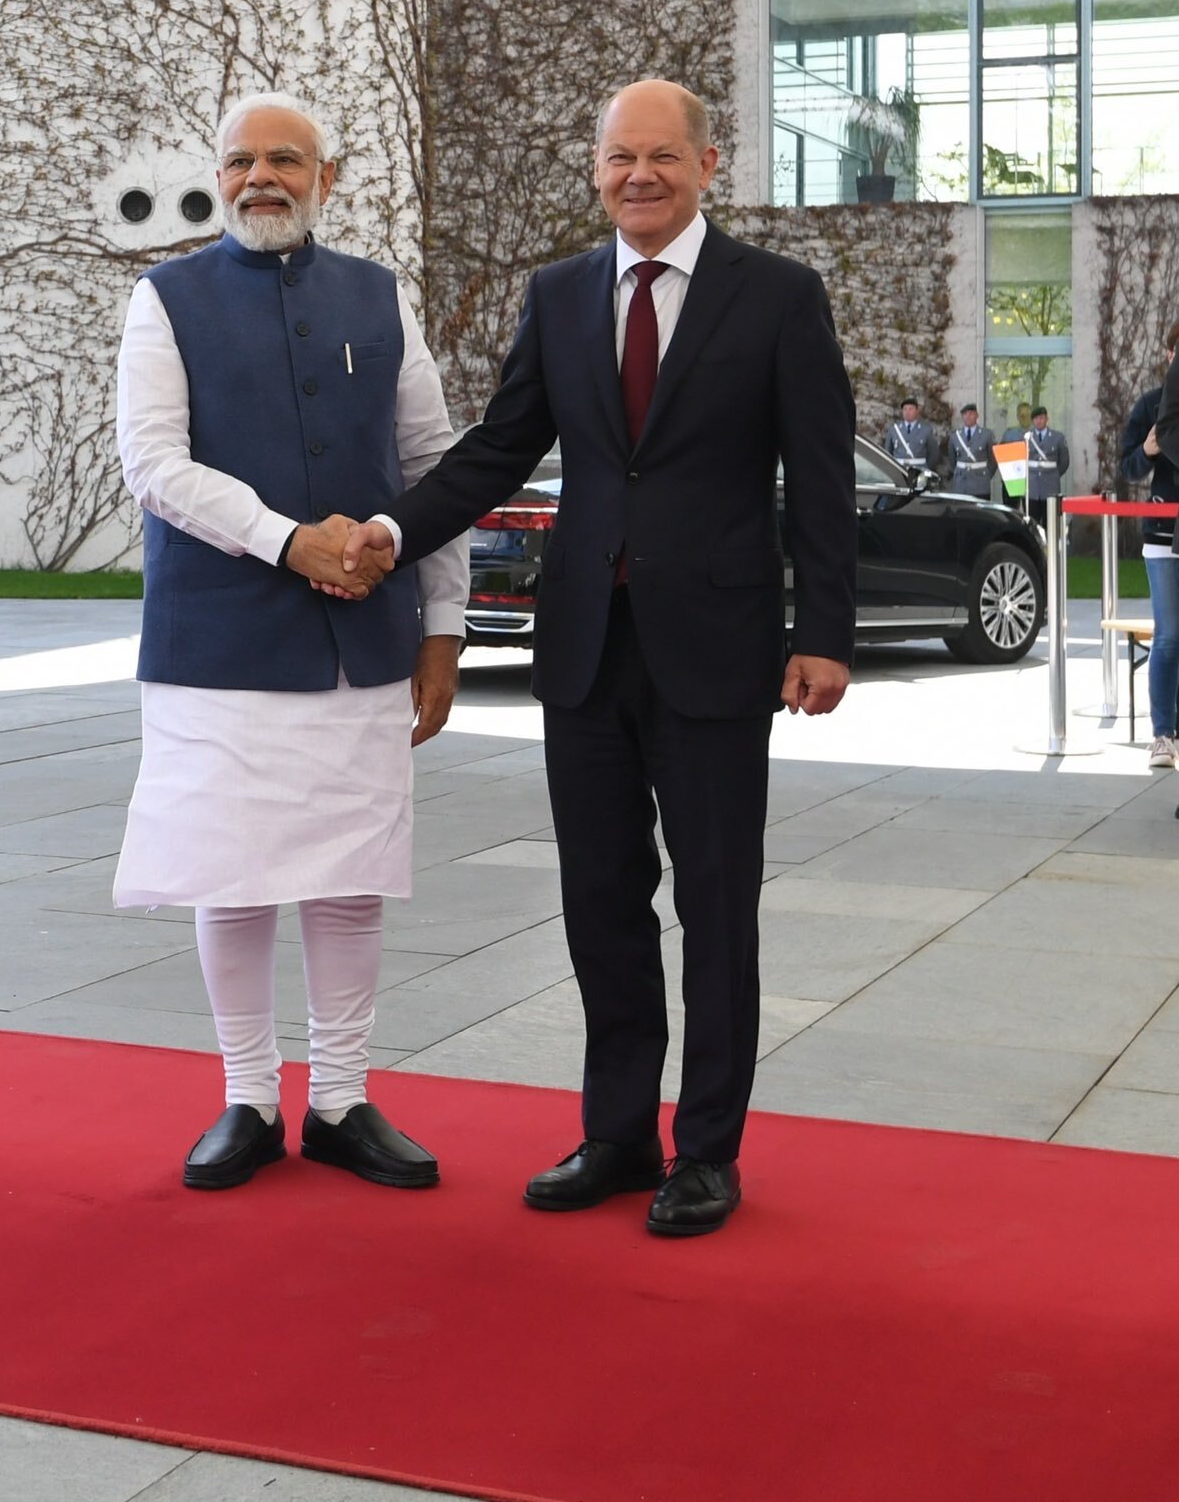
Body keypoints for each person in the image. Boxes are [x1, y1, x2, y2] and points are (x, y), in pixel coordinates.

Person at [339, 79, 856, 1236]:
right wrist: (388, 532)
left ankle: (706, 1150)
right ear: (594, 169)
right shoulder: (561, 293)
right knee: (600, 900)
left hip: (718, 651)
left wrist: (824, 630)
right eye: (619, 157)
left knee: (715, 903)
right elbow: (498, 449)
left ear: (707, 164)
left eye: (662, 157)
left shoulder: (775, 297)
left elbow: (818, 477)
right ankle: (619, 1131)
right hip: (582, 649)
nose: (639, 176)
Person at [112, 91, 469, 1193]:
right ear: (217, 178)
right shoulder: (162, 299)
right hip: (217, 643)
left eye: (283, 159)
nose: (259, 177)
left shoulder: (378, 296)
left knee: (349, 874)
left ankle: (343, 1099)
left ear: (326, 175)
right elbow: (152, 464)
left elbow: (433, 469)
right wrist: (286, 541)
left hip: (361, 647)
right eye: (238, 161)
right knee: (232, 873)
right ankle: (247, 1097)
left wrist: (446, 627)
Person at [1124, 323, 1179, 766]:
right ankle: (1162, 734)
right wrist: (1147, 450)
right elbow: (1128, 468)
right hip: (1161, 538)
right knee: (1169, 636)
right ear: (1168, 354)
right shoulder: (1149, 404)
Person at [1024, 406, 1070, 526]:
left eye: (1041, 418)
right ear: (1033, 421)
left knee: (1051, 523)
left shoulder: (1058, 437)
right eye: (1036, 418)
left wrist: (1053, 475)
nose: (1039, 421)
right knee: (1032, 524)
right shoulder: (1026, 438)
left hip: (1050, 487)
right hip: (1032, 488)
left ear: (1047, 419)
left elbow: (1064, 462)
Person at [944, 403, 997, 499]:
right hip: (960, 484)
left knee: (980, 513)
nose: (968, 416)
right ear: (962, 417)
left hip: (980, 484)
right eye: (965, 414)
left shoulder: (987, 435)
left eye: (971, 413)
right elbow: (952, 460)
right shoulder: (955, 436)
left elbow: (993, 460)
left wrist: (985, 475)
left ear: (977, 416)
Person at [884, 397, 938, 477]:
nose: (907, 412)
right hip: (899, 470)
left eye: (910, 409)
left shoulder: (926, 429)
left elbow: (933, 453)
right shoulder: (894, 429)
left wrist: (926, 469)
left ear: (917, 411)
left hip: (919, 471)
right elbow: (888, 451)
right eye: (905, 409)